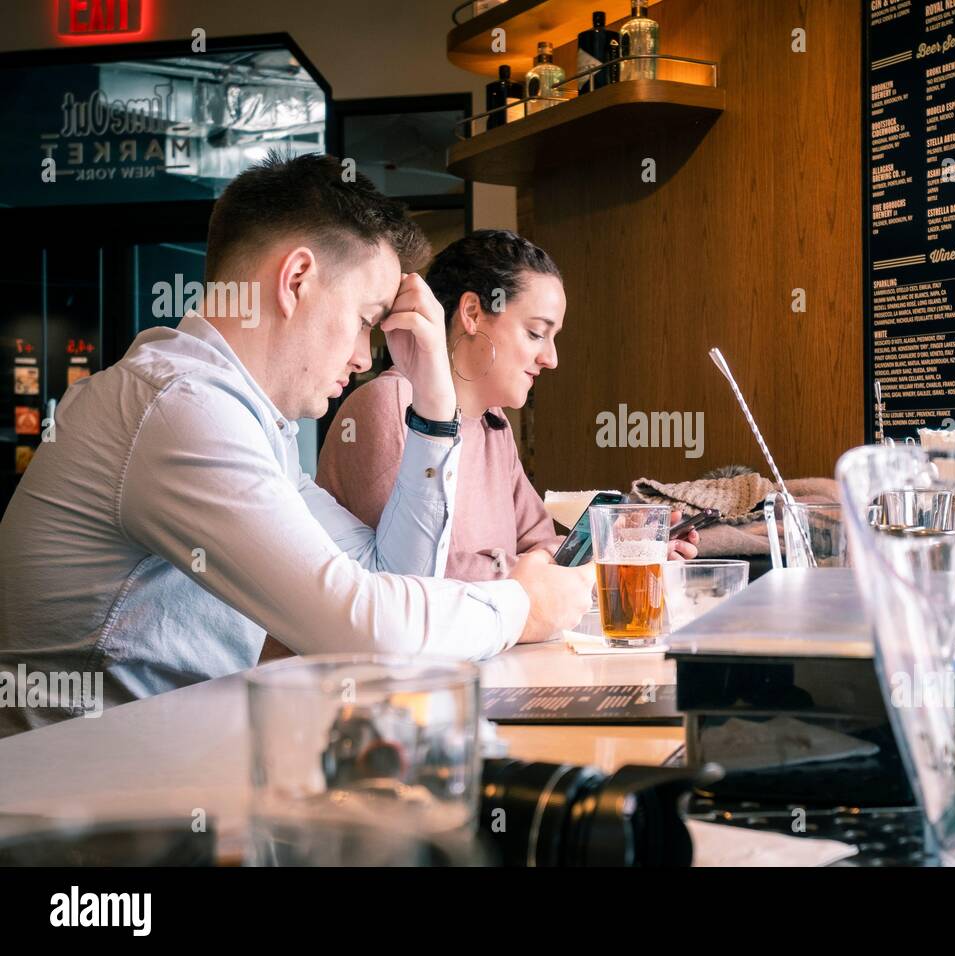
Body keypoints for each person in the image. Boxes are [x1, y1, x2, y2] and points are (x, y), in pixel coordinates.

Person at [0, 155, 593, 737]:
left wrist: (435, 412)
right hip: (86, 811)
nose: (365, 358)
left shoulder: (247, 425)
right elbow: (358, 631)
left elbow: (389, 584)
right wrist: (521, 605)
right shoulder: (181, 408)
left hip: (174, 782)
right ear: (297, 280)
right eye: (365, 320)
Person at [312, 230, 699, 583]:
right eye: (536, 333)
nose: (551, 358)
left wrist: (625, 549)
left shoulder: (493, 424)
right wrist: (540, 567)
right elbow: (416, 579)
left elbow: (545, 548)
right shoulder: (388, 406)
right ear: (473, 314)